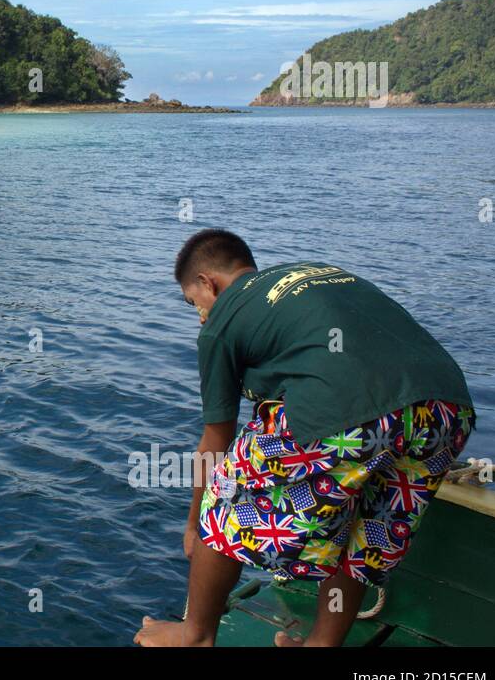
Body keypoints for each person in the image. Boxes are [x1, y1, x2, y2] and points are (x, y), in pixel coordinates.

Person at [135, 229, 474, 647]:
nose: (201, 317)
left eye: (194, 304)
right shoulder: (315, 274)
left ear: (209, 283)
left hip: (349, 415)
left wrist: (194, 526)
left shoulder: (221, 322)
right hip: (446, 410)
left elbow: (215, 439)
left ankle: (194, 634)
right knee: (366, 538)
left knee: (224, 498)